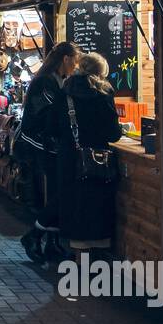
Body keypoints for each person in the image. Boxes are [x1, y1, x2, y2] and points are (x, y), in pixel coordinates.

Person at [50, 52, 122, 253]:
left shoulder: (65, 92)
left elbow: (53, 127)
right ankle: (96, 267)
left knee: (74, 205)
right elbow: (113, 133)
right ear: (101, 71)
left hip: (69, 158)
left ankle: (77, 261)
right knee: (96, 207)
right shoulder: (103, 94)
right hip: (97, 160)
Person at [16, 41, 80, 257]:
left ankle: (51, 242)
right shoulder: (46, 82)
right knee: (57, 193)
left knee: (56, 192)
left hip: (51, 145)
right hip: (40, 145)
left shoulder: (58, 80)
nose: (76, 65)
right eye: (75, 60)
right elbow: (43, 114)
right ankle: (34, 235)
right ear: (66, 59)